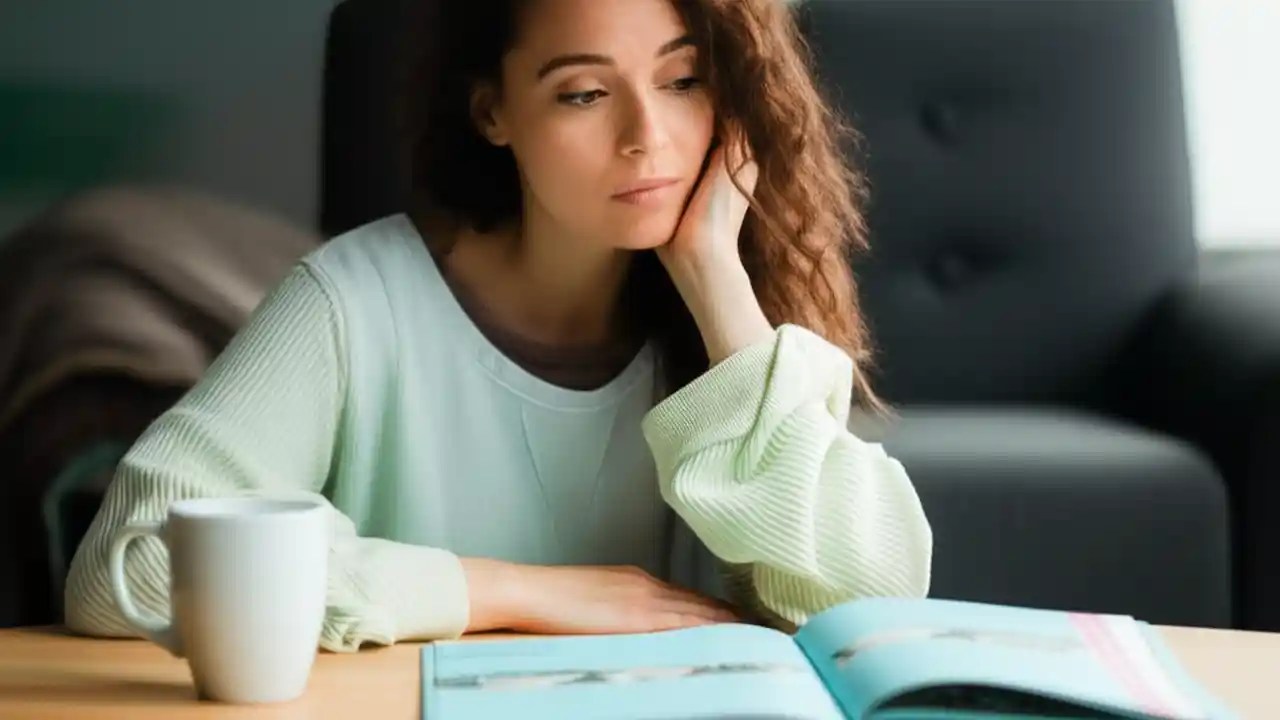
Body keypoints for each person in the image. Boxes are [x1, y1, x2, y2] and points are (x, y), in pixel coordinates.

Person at [64, 0, 932, 652]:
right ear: (494, 113)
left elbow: (866, 614)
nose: (647, 136)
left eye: (682, 80)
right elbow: (126, 566)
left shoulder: (739, 333)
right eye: (585, 93)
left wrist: (715, 279)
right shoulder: (353, 304)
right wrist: (518, 594)